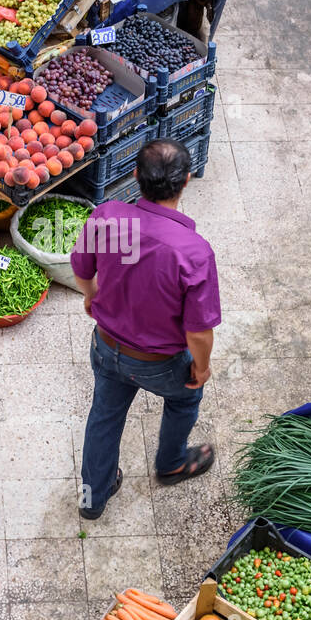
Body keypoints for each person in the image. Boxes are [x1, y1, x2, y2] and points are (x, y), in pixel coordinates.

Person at [70, 139, 221, 520]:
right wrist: (201, 369)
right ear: (186, 180)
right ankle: (171, 463)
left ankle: (93, 496)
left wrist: (91, 297)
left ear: (135, 175)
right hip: (159, 362)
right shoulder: (193, 251)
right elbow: (199, 332)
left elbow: (82, 270)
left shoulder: (108, 217)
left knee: (104, 415)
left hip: (106, 346)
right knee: (186, 396)